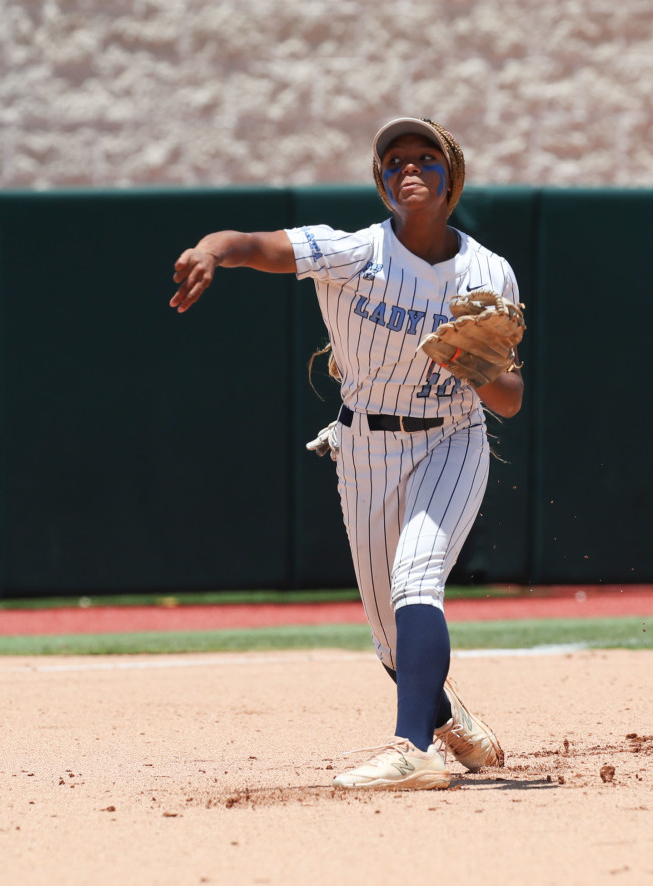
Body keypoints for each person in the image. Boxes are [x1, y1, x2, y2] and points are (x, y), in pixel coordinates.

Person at [170, 117, 523, 790]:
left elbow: (509, 398)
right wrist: (210, 249)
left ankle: (414, 750)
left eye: (426, 157)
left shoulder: (488, 270)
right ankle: (445, 717)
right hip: (364, 446)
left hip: (451, 437)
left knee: (418, 578)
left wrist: (474, 365)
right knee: (392, 641)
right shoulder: (354, 253)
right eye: (394, 160)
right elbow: (254, 245)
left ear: (454, 178)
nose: (409, 167)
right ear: (381, 181)